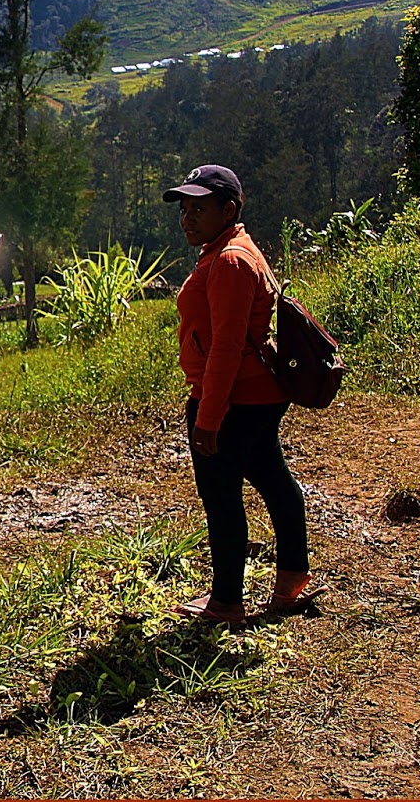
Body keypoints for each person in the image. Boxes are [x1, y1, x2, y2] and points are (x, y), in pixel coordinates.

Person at [164, 164, 317, 624]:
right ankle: (291, 579)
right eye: (185, 209)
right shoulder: (232, 250)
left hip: (236, 399)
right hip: (258, 394)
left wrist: (208, 417)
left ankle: (227, 601)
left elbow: (227, 346)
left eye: (200, 208)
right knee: (273, 478)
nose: (187, 218)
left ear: (228, 209)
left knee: (221, 497)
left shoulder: (229, 261)